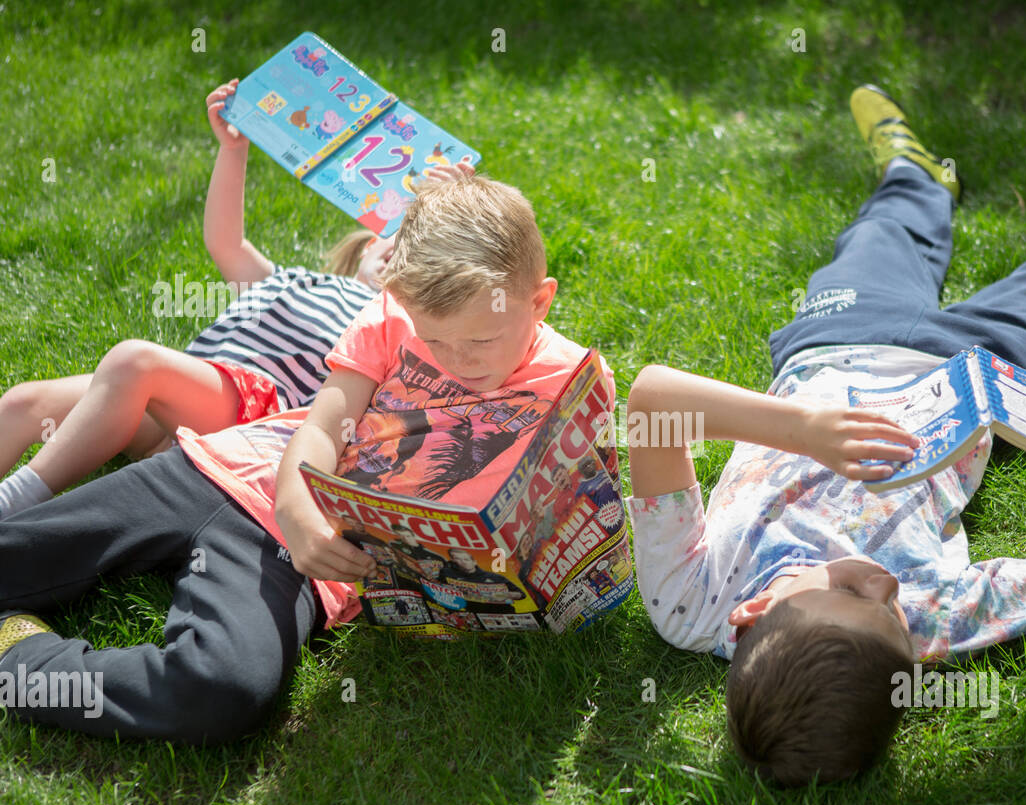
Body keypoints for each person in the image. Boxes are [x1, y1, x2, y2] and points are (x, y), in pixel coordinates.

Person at [625, 85, 1026, 787]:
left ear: (755, 612)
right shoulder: (927, 620)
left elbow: (652, 403)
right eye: (891, 615)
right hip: (973, 370)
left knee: (885, 233)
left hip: (836, 341)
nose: (884, 586)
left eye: (852, 591)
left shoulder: (692, 600)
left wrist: (805, 429)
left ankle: (916, 174)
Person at [0, 170, 613, 743]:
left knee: (222, 693)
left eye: (480, 339)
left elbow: (577, 519)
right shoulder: (389, 317)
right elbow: (322, 428)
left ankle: (18, 653)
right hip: (220, 471)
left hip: (305, 565)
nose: (457, 359)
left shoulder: (573, 382)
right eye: (434, 340)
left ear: (540, 302)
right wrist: (296, 511)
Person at [0, 79, 419, 519]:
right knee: (24, 402)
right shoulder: (291, 279)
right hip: (173, 404)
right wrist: (232, 150)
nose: (403, 255)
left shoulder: (391, 321)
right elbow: (226, 242)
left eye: (418, 257)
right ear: (369, 243)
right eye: (400, 239)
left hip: (248, 422)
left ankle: (13, 504)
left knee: (135, 362)